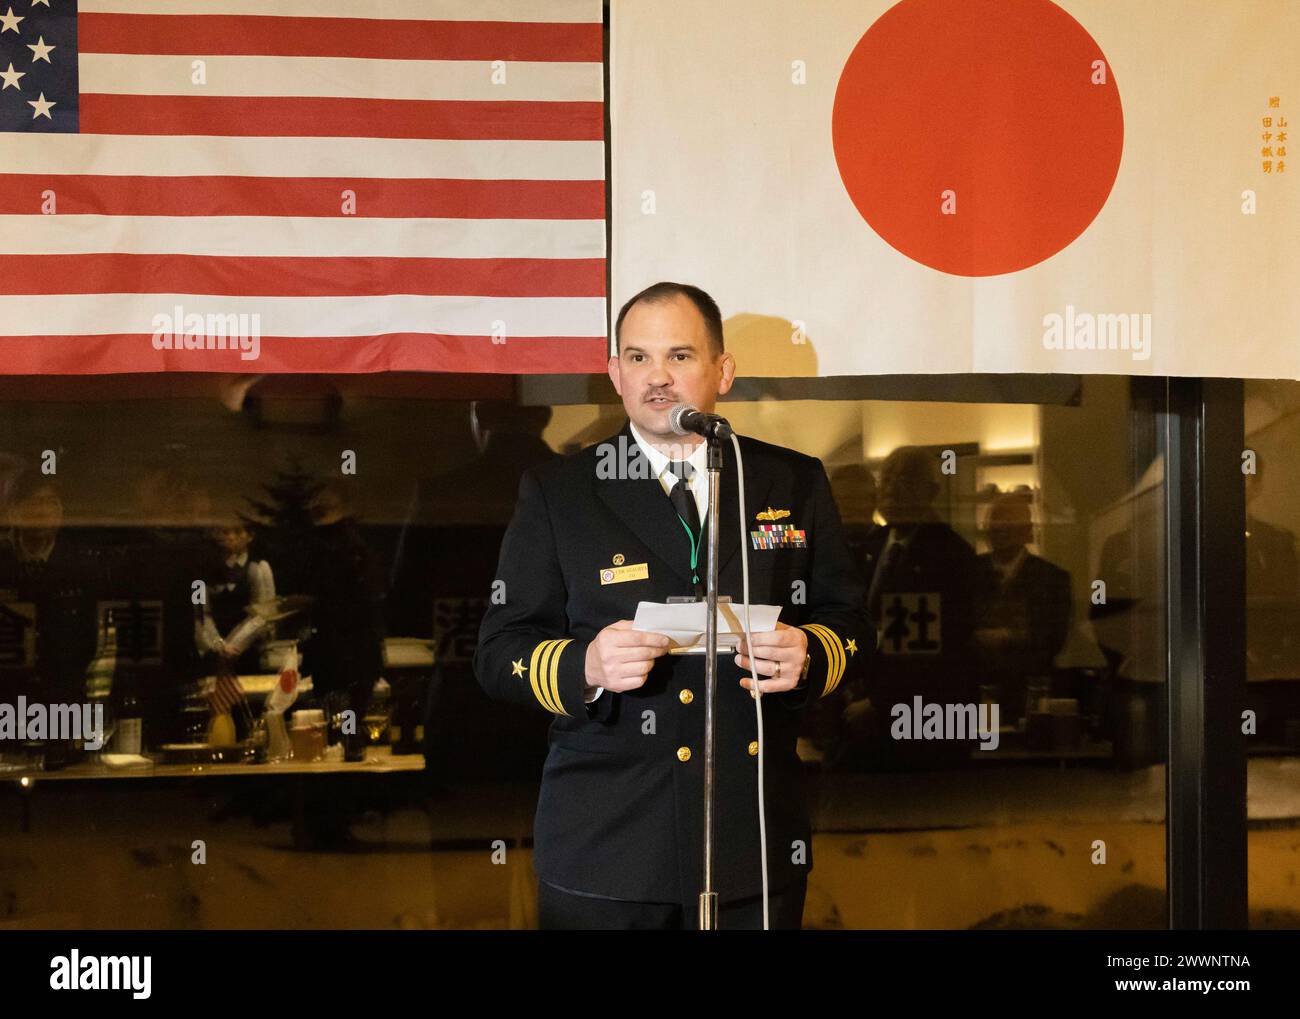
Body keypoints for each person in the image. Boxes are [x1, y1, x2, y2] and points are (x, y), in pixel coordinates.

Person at [474, 281, 872, 930]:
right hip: (608, 846)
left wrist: (812, 653)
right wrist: (586, 666)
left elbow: (850, 622)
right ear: (615, 374)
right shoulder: (560, 491)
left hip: (752, 839)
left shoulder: (790, 481)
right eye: (638, 357)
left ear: (723, 371)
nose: (657, 376)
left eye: (680, 356)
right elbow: (498, 651)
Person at [972, 492, 1072, 726]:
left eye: (1009, 521)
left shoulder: (1053, 579)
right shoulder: (968, 570)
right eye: (996, 521)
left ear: (1027, 530)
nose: (1000, 527)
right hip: (974, 693)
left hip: (1029, 695)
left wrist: (1003, 637)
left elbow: (1053, 640)